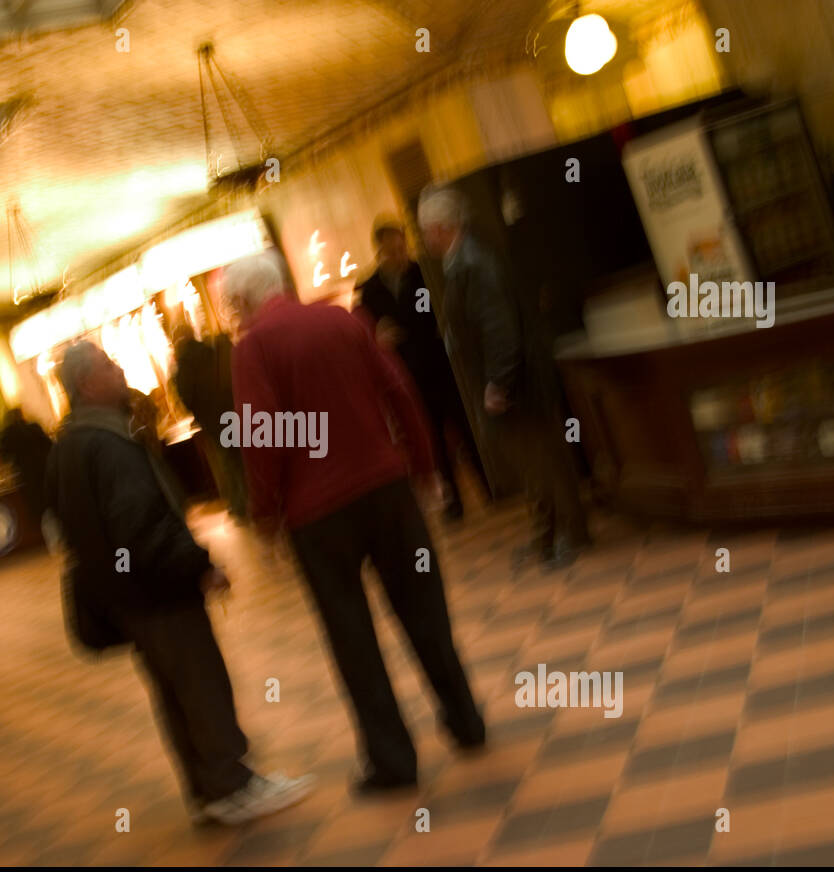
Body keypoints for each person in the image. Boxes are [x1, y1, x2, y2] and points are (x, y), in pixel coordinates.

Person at [226, 251, 486, 794]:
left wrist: (265, 517)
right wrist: (423, 468)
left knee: (352, 637)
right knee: (425, 611)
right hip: (387, 491)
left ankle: (393, 760)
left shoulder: (253, 348)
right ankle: (466, 721)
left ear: (245, 300)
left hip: (316, 516)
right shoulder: (344, 320)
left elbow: (261, 436)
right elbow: (400, 393)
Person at [45, 340, 314, 825]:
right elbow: (142, 524)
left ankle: (207, 789)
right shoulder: (107, 443)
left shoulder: (71, 443)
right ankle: (233, 784)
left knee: (174, 691)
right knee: (200, 682)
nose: (119, 367)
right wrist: (196, 565)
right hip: (157, 590)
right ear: (88, 383)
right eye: (109, 365)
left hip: (126, 596)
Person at [417, 184, 590, 569]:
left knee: (544, 459)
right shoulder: (468, 257)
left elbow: (500, 327)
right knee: (533, 462)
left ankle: (570, 534)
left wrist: (499, 382)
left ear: (442, 226)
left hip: (517, 383)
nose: (425, 238)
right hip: (513, 380)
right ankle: (548, 533)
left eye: (427, 230)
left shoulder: (472, 263)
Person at [356, 215, 490, 521]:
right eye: (390, 249)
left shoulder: (422, 275)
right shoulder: (370, 289)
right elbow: (364, 331)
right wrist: (378, 337)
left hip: (440, 365)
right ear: (380, 250)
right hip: (406, 374)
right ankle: (453, 499)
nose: (398, 254)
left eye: (400, 247)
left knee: (466, 427)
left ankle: (489, 485)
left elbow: (436, 314)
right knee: (431, 438)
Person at [171, 324, 248, 520]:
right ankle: (251, 498)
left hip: (211, 422)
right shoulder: (210, 351)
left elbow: (185, 399)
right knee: (241, 457)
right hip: (231, 411)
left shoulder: (183, 368)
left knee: (226, 464)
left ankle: (239, 505)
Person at [0, 407, 53, 524]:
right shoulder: (33, 428)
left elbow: (3, 455)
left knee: (38, 510)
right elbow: (50, 446)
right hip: (44, 471)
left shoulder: (8, 435)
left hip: (27, 476)